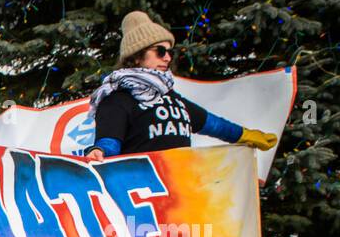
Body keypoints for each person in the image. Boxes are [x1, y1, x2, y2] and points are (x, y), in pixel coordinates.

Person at [84, 10, 278, 162]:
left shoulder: (172, 97)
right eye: (160, 51)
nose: (167, 57)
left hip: (181, 194)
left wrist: (245, 135)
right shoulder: (117, 99)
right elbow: (109, 142)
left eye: (170, 52)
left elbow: (213, 124)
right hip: (144, 201)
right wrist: (99, 151)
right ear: (136, 56)